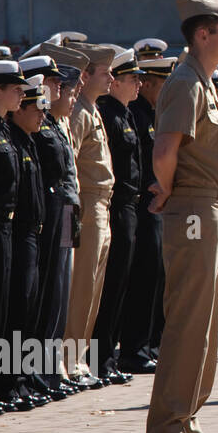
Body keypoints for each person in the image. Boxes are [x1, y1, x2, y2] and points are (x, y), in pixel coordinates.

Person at [144, 0, 218, 433]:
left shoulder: (203, 82)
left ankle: (187, 420)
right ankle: (165, 430)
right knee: (188, 321)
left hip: (212, 210)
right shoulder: (185, 83)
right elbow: (165, 152)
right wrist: (166, 190)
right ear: (202, 35)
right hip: (194, 212)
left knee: (207, 323)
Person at [63, 43, 118, 385]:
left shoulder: (91, 109)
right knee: (82, 286)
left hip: (102, 203)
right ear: (86, 76)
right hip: (87, 205)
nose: (111, 77)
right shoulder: (80, 112)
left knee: (94, 287)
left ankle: (80, 358)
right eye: (105, 72)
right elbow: (71, 162)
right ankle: (70, 360)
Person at [34, 50, 86, 395]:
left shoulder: (54, 125)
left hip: (67, 213)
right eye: (57, 86)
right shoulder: (39, 127)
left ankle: (50, 374)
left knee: (60, 294)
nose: (64, 94)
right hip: (51, 215)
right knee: (47, 296)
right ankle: (38, 374)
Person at [91, 50, 144, 385]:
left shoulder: (123, 114)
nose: (138, 83)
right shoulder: (108, 115)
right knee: (109, 288)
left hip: (130, 206)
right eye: (132, 79)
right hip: (116, 206)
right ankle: (101, 358)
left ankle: (109, 356)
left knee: (122, 285)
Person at [118, 53, 173, 373]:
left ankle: (148, 342)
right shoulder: (136, 114)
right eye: (161, 84)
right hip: (141, 204)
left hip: (155, 205)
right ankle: (133, 347)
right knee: (143, 276)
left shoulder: (153, 113)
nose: (140, 85)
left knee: (157, 274)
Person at [4, 78, 51, 408]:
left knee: (29, 308)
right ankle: (7, 381)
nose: (42, 116)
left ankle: (20, 378)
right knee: (13, 309)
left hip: (30, 232)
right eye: (36, 108)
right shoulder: (11, 137)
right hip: (14, 232)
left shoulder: (24, 140)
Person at [0, 61, 33, 413]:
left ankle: (4, 383)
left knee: (5, 311)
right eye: (16, 88)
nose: (23, 93)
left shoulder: (4, 129)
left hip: (7, 228)